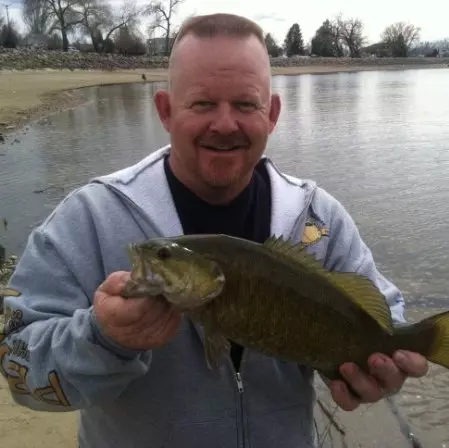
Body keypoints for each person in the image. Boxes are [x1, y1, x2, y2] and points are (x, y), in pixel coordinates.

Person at [1, 13, 428, 448]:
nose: (225, 124)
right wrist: (102, 339)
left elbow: (385, 322)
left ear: (273, 113)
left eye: (245, 104)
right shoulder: (89, 218)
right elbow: (16, 368)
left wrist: (384, 374)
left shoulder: (320, 219)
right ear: (166, 111)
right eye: (203, 103)